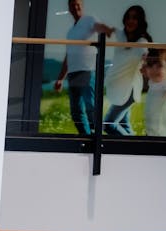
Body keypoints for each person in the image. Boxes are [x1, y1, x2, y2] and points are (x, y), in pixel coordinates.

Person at [53, 0, 114, 136]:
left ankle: (97, 137)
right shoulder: (71, 32)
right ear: (69, 8)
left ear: (82, 5)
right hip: (73, 74)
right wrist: (60, 79)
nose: (76, 7)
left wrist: (107, 30)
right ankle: (86, 138)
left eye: (78, 4)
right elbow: (68, 56)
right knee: (76, 111)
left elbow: (98, 26)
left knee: (90, 107)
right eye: (73, 5)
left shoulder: (89, 20)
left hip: (87, 71)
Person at [101, 6, 151, 135]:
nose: (130, 20)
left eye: (134, 18)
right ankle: (134, 148)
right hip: (117, 87)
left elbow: (144, 54)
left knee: (108, 124)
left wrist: (146, 62)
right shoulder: (121, 35)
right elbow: (109, 31)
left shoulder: (141, 42)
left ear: (140, 21)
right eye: (128, 17)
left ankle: (133, 149)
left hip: (128, 91)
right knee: (124, 124)